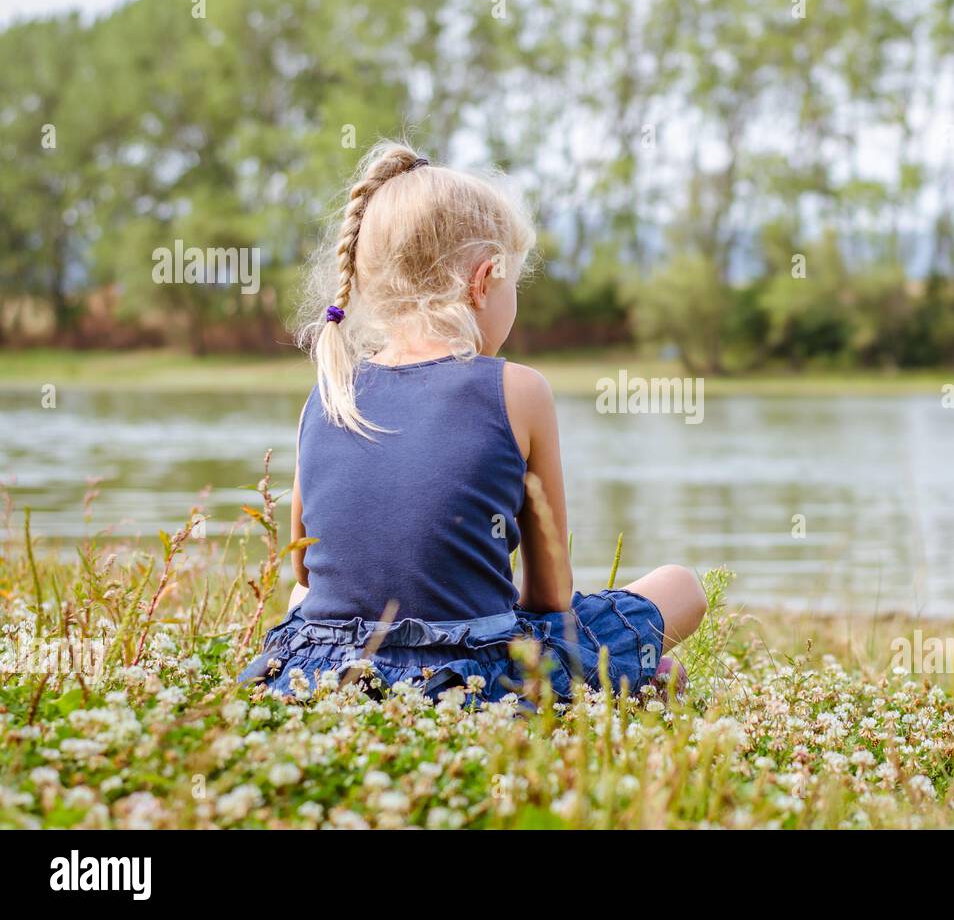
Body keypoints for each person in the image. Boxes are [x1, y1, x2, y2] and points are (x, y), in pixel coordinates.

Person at [239, 141, 706, 703]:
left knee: (299, 607)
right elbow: (549, 597)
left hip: (323, 667)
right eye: (515, 286)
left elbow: (309, 575)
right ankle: (626, 673)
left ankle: (627, 675)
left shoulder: (328, 393)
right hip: (476, 674)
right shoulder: (520, 389)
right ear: (484, 280)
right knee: (682, 586)